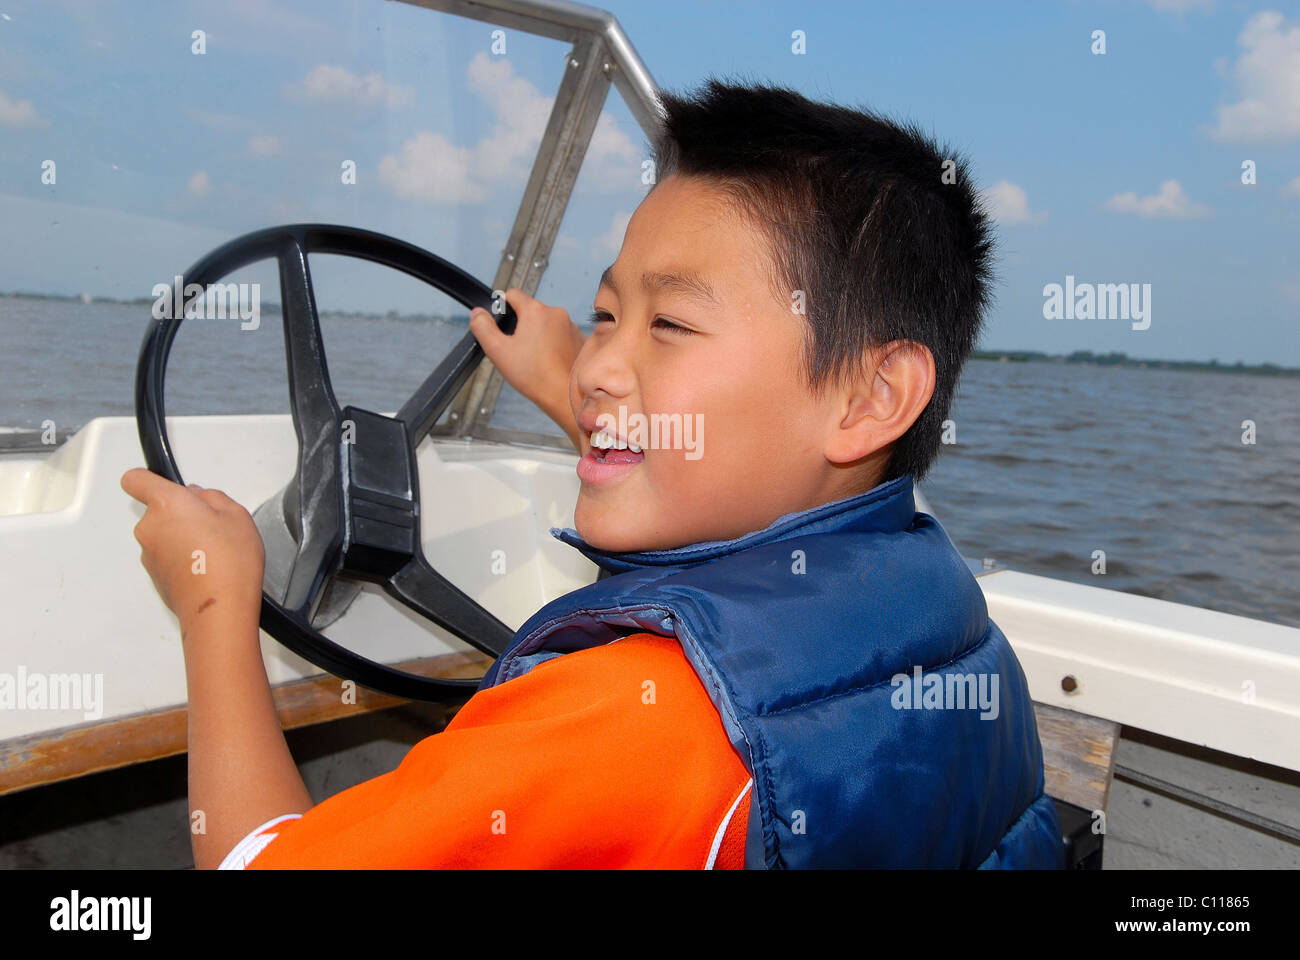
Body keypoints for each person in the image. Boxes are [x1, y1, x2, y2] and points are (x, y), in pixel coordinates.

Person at [121, 78, 1062, 869]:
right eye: (606, 315)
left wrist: (214, 607)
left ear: (871, 399)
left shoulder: (632, 721)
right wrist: (586, 401)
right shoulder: (946, 618)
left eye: (670, 325)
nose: (600, 365)